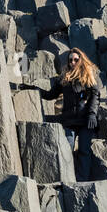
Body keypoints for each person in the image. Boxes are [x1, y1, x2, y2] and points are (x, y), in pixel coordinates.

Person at [44, 48, 100, 182]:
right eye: (70, 60)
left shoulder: (89, 75)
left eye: (76, 59)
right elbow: (51, 95)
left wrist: (92, 114)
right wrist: (34, 90)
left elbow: (95, 96)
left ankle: (82, 180)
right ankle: (68, 180)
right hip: (69, 120)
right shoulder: (64, 78)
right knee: (67, 149)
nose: (73, 62)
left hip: (86, 121)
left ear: (81, 60)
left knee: (83, 151)